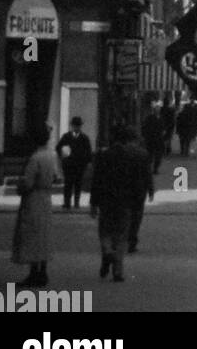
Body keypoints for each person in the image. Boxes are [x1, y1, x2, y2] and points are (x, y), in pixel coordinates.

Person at [90, 126, 152, 281]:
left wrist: (93, 202)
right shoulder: (135, 156)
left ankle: (107, 251)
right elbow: (140, 180)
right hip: (126, 201)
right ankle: (118, 270)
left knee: (105, 231)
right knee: (122, 235)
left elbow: (96, 180)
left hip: (106, 200)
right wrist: (141, 198)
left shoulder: (103, 156)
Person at [12, 125, 60, 287]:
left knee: (32, 234)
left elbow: (28, 182)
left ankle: (34, 273)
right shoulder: (51, 156)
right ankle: (43, 271)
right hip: (46, 197)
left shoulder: (35, 158)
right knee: (44, 234)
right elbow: (56, 177)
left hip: (33, 198)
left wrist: (20, 187)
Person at [123, 128, 155, 255]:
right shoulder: (143, 153)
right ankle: (132, 241)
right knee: (136, 217)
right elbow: (148, 174)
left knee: (125, 215)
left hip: (125, 189)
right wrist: (151, 189)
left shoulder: (122, 152)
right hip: (139, 190)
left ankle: (123, 238)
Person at [55, 116, 92, 210]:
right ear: (72, 126)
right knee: (68, 184)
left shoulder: (84, 138)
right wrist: (63, 155)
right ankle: (67, 203)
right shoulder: (66, 137)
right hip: (69, 164)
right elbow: (58, 147)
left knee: (78, 184)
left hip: (79, 165)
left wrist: (85, 162)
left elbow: (88, 152)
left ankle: (76, 202)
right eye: (76, 126)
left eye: (79, 126)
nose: (77, 128)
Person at [142, 101, 164, 175]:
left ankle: (155, 168)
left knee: (158, 156)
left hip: (159, 139)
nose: (157, 111)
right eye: (156, 109)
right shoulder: (149, 118)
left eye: (158, 109)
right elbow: (145, 128)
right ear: (154, 110)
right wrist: (145, 136)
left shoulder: (161, 118)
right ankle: (149, 168)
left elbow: (163, 128)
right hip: (151, 139)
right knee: (150, 155)